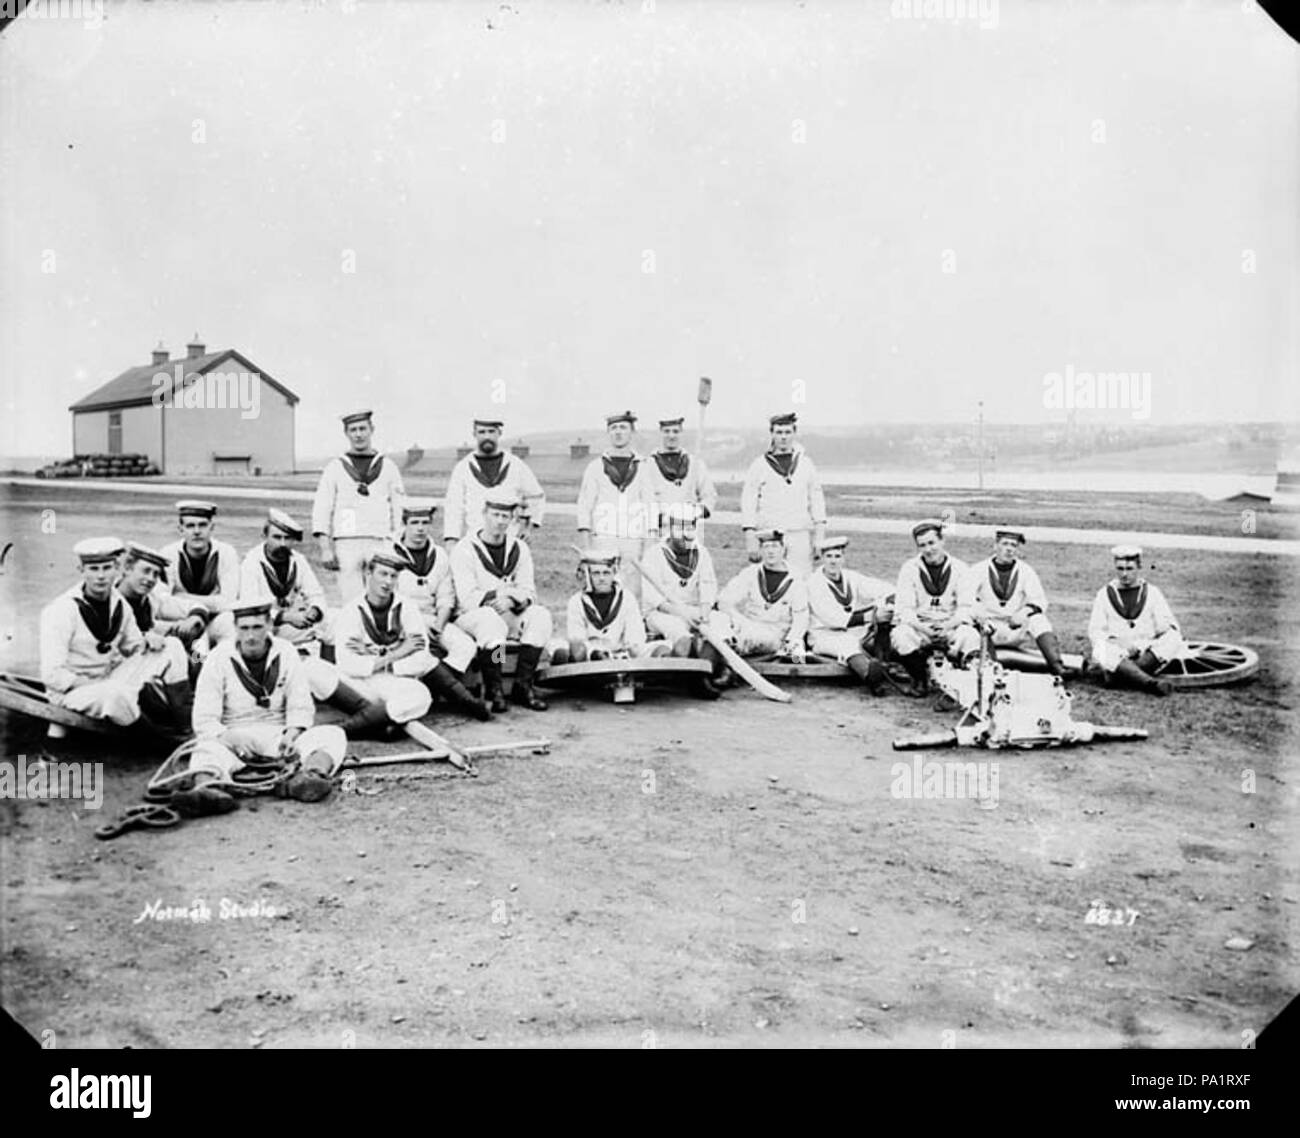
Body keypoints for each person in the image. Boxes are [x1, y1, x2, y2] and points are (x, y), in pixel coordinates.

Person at [173, 601, 349, 817]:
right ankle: (208, 790)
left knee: (333, 734)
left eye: (257, 627)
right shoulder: (218, 657)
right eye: (244, 628)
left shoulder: (286, 652)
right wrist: (229, 736)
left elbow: (300, 704)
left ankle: (309, 778)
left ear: (268, 625)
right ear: (235, 628)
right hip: (233, 735)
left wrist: (293, 732)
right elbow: (204, 718)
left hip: (276, 734)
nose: (250, 636)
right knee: (204, 749)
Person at [39, 537, 191, 740]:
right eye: (93, 569)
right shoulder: (62, 610)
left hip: (108, 679)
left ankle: (186, 726)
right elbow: (51, 675)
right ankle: (157, 742)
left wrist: (148, 640)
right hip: (73, 692)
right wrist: (93, 685)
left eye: (106, 568)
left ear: (117, 569)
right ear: (82, 571)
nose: (101, 576)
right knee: (116, 695)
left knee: (171, 646)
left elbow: (132, 647)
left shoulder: (118, 603)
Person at [391, 499, 492, 720]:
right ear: (404, 524)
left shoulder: (440, 555)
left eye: (425, 523)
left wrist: (439, 624)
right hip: (402, 620)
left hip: (440, 618)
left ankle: (496, 689)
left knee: (474, 644)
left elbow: (446, 597)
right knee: (424, 648)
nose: (420, 528)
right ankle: (465, 697)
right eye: (414, 522)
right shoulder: (390, 552)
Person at [450, 497, 552, 712]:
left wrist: (512, 599)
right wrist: (503, 593)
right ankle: (494, 687)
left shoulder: (519, 548)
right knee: (491, 622)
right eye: (495, 515)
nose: (499, 521)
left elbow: (529, 591)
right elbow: (467, 598)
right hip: (473, 617)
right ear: (485, 515)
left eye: (505, 516)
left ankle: (523, 685)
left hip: (509, 610)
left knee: (540, 616)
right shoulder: (465, 548)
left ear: (512, 519)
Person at [331, 551, 439, 734]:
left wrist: (374, 659)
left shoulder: (408, 607)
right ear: (368, 574)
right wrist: (398, 653)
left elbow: (422, 657)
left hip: (392, 680)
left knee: (421, 696)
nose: (388, 582)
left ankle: (351, 727)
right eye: (383, 574)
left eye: (393, 576)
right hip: (358, 682)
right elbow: (346, 663)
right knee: (315, 670)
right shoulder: (350, 611)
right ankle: (382, 721)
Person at [311, 409, 406, 604]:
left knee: (383, 596)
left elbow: (399, 508)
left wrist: (396, 540)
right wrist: (325, 548)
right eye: (353, 430)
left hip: (380, 540)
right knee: (351, 599)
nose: (358, 434)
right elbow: (322, 508)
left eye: (363, 428)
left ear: (372, 429)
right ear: (346, 433)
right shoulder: (335, 467)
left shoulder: (388, 466)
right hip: (347, 541)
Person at [637, 502, 730, 695]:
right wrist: (681, 613)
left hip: (693, 609)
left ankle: (705, 674)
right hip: (663, 613)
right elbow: (654, 599)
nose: (686, 533)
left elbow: (708, 585)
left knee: (720, 622)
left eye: (690, 527)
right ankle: (694, 678)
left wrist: (704, 612)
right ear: (670, 529)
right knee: (679, 634)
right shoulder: (654, 554)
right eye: (680, 528)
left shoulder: (701, 552)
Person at [576, 411, 661, 602]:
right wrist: (586, 545)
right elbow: (585, 505)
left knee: (633, 591)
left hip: (634, 539)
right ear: (608, 432)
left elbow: (650, 505)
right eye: (614, 428)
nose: (618, 432)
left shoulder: (644, 466)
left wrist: (649, 542)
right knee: (603, 588)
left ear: (632, 432)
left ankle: (633, 628)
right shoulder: (595, 467)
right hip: (603, 539)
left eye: (623, 427)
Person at [891, 520, 980, 693]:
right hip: (921, 625)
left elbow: (966, 606)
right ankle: (919, 678)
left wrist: (948, 625)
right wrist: (923, 628)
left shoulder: (960, 568)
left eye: (932, 543)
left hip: (949, 624)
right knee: (901, 635)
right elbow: (904, 608)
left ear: (942, 541)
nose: (928, 549)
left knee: (970, 637)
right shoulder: (909, 568)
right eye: (922, 545)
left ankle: (964, 683)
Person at [968, 528, 1071, 678]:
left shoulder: (1026, 571)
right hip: (988, 629)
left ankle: (1056, 666)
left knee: (1038, 620)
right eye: (1005, 544)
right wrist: (979, 614)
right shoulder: (978, 569)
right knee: (970, 623)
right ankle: (990, 669)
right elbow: (966, 599)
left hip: (1013, 626)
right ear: (995, 546)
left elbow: (1039, 600)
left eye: (1013, 545)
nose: (1009, 549)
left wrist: (1024, 612)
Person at [805, 536, 898, 696]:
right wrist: (873, 615)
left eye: (837, 556)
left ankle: (886, 663)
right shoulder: (814, 583)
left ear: (843, 558)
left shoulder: (850, 576)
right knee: (848, 646)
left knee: (886, 618)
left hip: (851, 631)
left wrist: (888, 603)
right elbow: (834, 619)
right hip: (824, 635)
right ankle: (871, 676)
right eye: (828, 557)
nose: (833, 561)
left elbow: (882, 588)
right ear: (822, 559)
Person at [1087, 544, 1183, 696]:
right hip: (1118, 651)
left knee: (1174, 637)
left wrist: (1141, 646)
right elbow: (1095, 631)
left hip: (1146, 650)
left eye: (1129, 569)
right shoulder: (1104, 594)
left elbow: (1166, 627)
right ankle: (1150, 683)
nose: (1124, 574)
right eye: (1120, 569)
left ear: (1138, 567)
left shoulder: (1152, 592)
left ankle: (1119, 676)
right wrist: (1117, 642)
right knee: (1100, 649)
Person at [740, 412, 827, 578]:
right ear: (772, 434)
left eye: (787, 432)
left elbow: (817, 501)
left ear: (794, 433)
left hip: (799, 533)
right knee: (770, 580)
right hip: (769, 534)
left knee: (801, 580)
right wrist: (750, 537)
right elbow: (748, 503)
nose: (783, 437)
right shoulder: (759, 465)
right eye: (779, 432)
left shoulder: (806, 464)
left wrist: (819, 537)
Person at [238, 508, 331, 652]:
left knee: (333, 622)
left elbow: (316, 594)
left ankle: (329, 670)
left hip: (290, 623)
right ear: (264, 536)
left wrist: (314, 612)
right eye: (276, 537)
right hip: (264, 624)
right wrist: (287, 617)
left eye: (287, 538)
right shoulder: (252, 562)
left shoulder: (298, 560)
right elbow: (251, 607)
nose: (282, 543)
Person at [442, 417, 546, 544]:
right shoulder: (463, 467)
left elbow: (536, 496)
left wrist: (529, 526)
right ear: (474, 434)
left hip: (511, 538)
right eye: (482, 432)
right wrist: (451, 539)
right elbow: (454, 506)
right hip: (475, 539)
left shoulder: (515, 464)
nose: (487, 436)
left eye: (491, 431)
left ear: (499, 433)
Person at [157, 500, 241, 651]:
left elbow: (228, 602)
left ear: (211, 527)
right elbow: (160, 599)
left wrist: (181, 597)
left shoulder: (227, 553)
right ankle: (195, 663)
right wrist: (194, 611)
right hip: (184, 620)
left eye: (202, 525)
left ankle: (222, 664)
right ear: (180, 529)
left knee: (231, 627)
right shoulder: (168, 554)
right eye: (190, 526)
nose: (196, 531)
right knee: (195, 654)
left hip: (216, 620)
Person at [554, 551, 663, 663]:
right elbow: (576, 639)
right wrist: (594, 653)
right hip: (589, 658)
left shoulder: (627, 598)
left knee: (662, 651)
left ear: (613, 573)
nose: (601, 578)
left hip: (622, 657)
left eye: (606, 573)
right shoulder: (576, 601)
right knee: (565, 653)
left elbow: (635, 638)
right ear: (588, 575)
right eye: (596, 573)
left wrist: (622, 654)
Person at [717, 529, 810, 661]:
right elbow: (724, 600)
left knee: (732, 638)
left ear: (783, 549)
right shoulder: (751, 573)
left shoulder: (796, 578)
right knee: (716, 617)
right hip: (751, 626)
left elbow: (801, 617)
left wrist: (791, 641)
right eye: (766, 547)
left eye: (775, 546)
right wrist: (735, 617)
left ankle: (723, 663)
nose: (770, 551)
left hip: (776, 633)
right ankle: (719, 661)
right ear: (760, 550)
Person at [645, 415, 717, 531]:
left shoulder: (695, 463)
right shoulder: (647, 465)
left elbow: (709, 495)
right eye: (667, 431)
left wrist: (695, 512)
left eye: (675, 431)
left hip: (689, 530)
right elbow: (642, 500)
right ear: (660, 432)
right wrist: (658, 518)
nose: (671, 435)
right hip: (659, 530)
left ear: (681, 432)